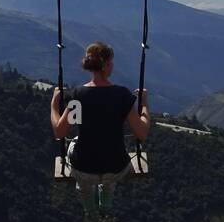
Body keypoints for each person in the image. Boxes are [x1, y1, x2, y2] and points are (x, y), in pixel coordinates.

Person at [50, 41, 150, 212]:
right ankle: (106, 197)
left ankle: (89, 207)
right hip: (116, 167)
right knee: (111, 164)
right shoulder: (122, 95)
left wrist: (54, 104)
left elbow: (60, 131)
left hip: (83, 168)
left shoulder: (78, 95)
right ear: (107, 65)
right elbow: (142, 133)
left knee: (74, 141)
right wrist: (145, 104)